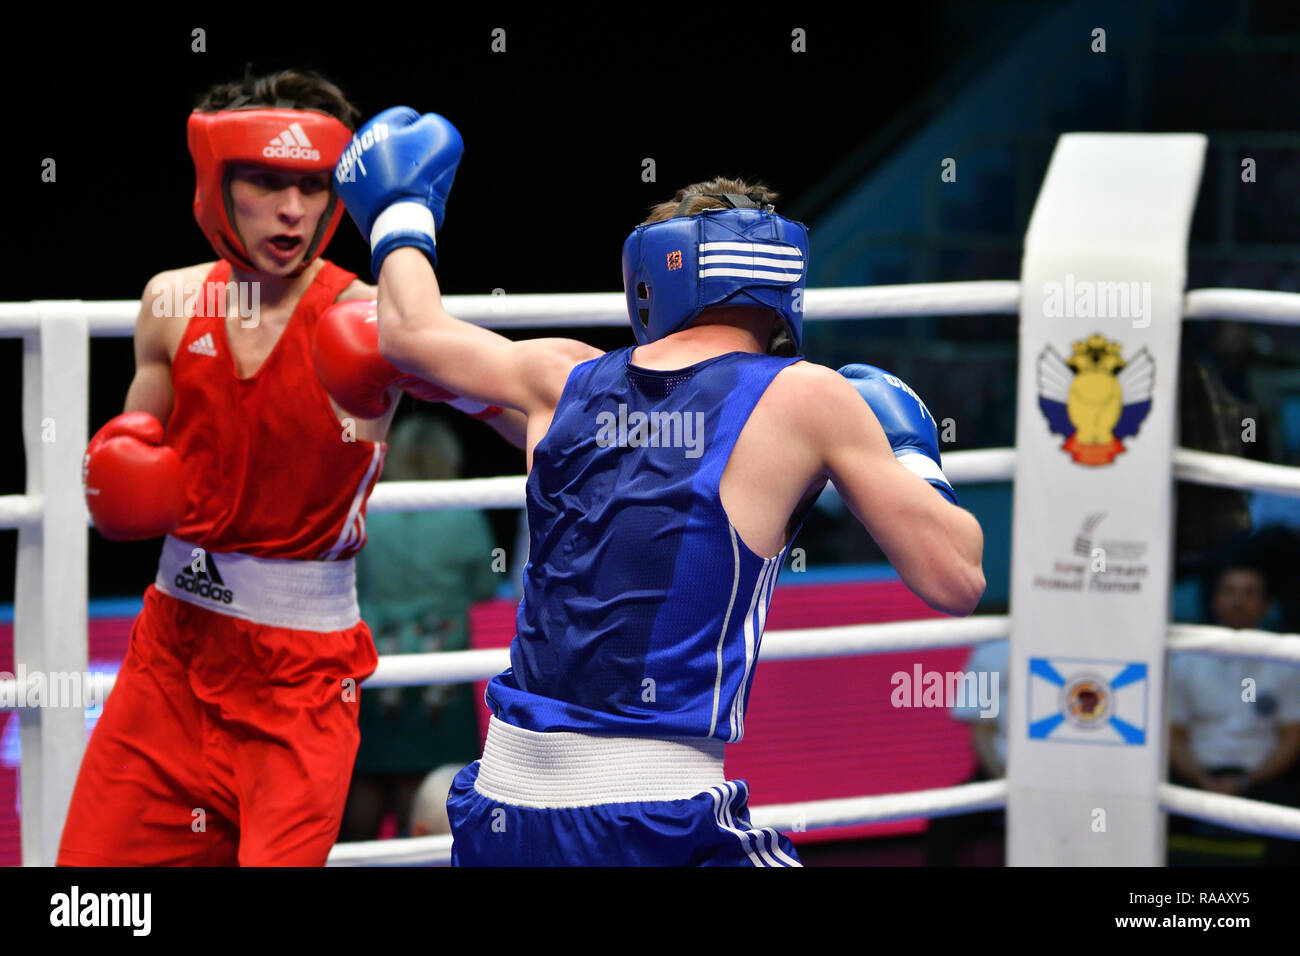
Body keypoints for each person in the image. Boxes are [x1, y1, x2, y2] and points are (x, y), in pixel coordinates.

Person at [333, 107, 985, 865]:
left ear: (653, 274)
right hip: (653, 815)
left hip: (504, 806)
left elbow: (409, 334)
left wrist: (400, 210)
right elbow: (957, 577)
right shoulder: (809, 398)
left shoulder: (559, 379)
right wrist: (912, 455)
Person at [58, 72, 524, 866]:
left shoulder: (372, 322)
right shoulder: (169, 303)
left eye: (311, 186)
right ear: (218, 183)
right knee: (92, 901)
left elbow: (526, 412)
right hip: (168, 662)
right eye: (267, 181)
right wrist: (111, 483)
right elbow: (128, 466)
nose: (292, 210)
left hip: (301, 684)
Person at [340, 415, 498, 841]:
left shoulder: (367, 510)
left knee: (364, 774)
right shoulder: (464, 516)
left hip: (376, 662)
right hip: (440, 670)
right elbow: (485, 586)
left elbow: (344, 584)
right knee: (430, 780)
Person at [1168, 560, 1300, 863]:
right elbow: (1174, 736)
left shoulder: (1288, 662)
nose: (1239, 600)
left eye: (1250, 593)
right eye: (1230, 591)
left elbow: (1292, 737)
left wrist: (1249, 781)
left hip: (1264, 779)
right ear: (1215, 600)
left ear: (1266, 605)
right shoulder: (1184, 659)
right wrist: (1204, 782)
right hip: (1196, 777)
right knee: (1150, 810)